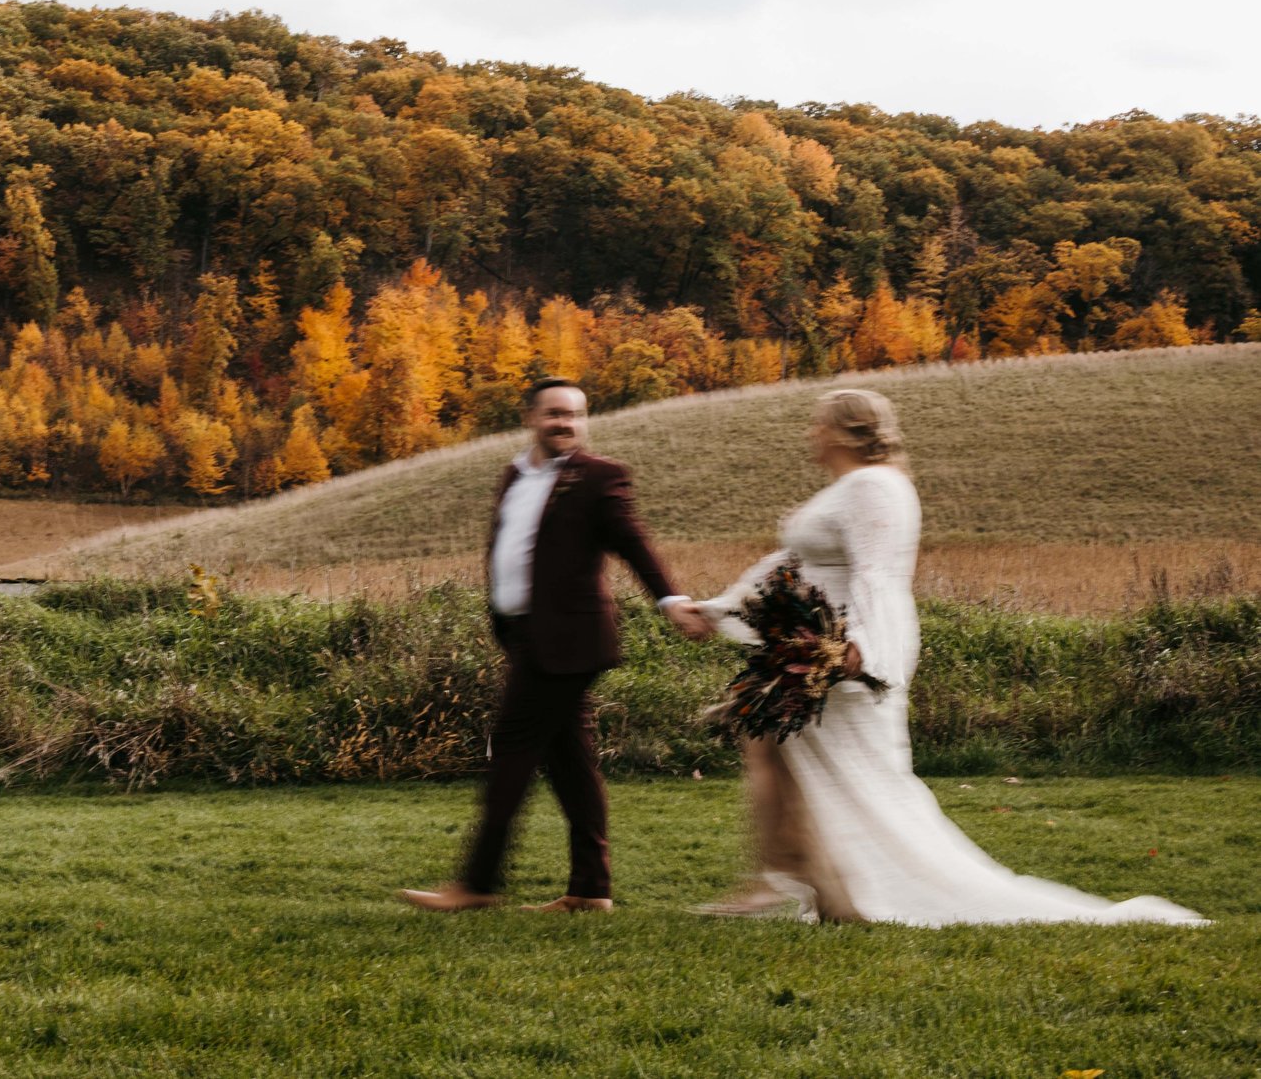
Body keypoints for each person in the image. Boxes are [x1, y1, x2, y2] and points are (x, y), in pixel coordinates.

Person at [685, 386, 1206, 927]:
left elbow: (880, 575)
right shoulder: (847, 489)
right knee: (775, 749)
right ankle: (806, 885)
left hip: (841, 656)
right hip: (807, 646)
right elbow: (786, 564)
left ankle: (826, 888)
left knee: (848, 776)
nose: (810, 433)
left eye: (818, 423)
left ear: (845, 431)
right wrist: (721, 607)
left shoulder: (875, 487)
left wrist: (864, 647)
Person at [401, 377, 693, 914]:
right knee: (570, 763)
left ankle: (477, 884)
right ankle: (590, 890)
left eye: (576, 414)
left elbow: (633, 541)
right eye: (555, 413)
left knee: (512, 749)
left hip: (568, 640)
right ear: (531, 417)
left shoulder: (599, 477)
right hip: (524, 635)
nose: (566, 423)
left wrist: (669, 599)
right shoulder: (514, 475)